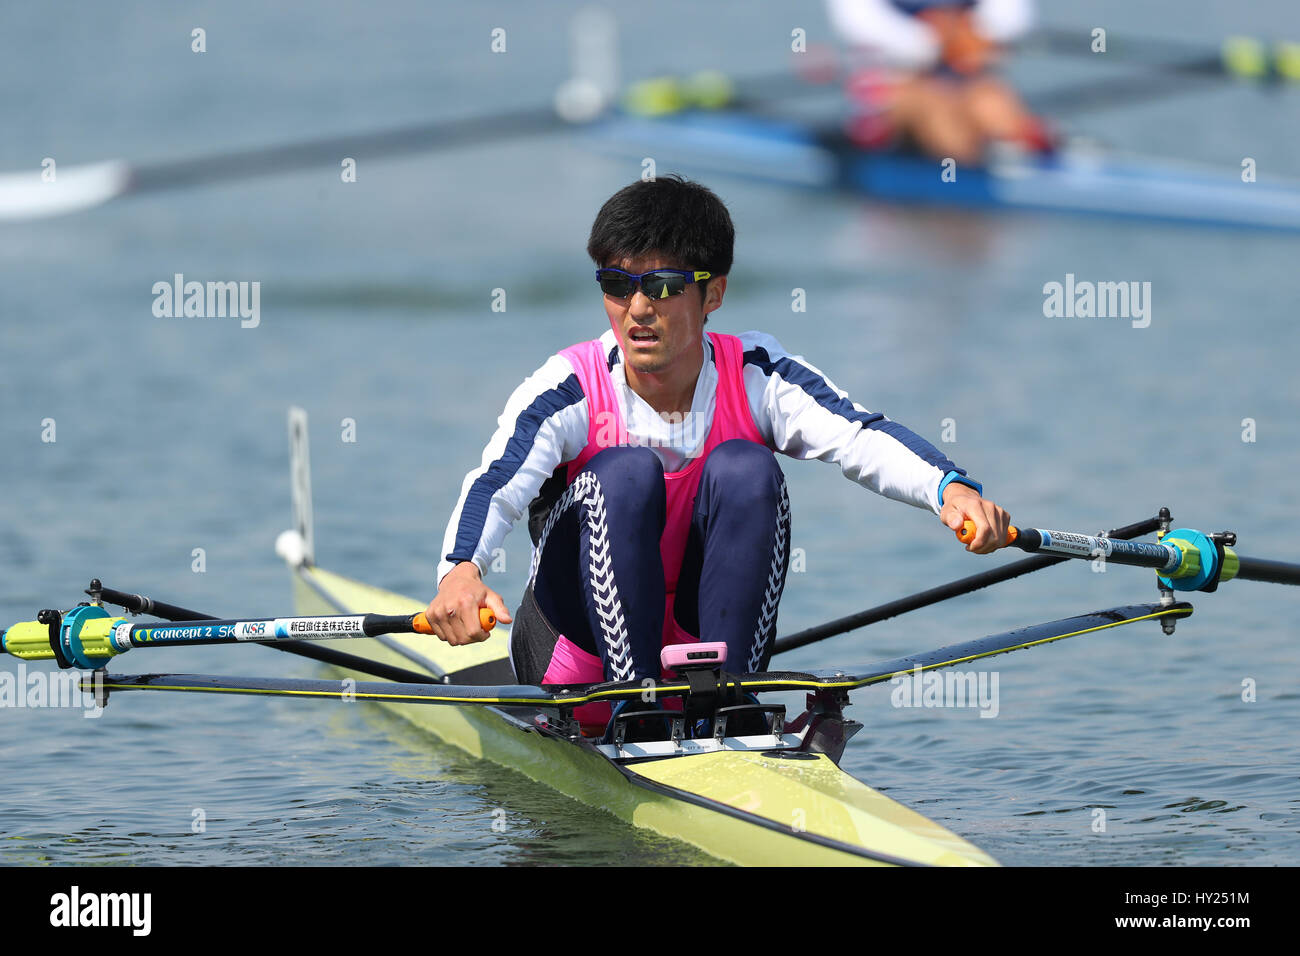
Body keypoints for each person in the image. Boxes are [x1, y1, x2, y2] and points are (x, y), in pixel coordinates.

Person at [424, 175, 1009, 735]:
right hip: (574, 665)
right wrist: (461, 571)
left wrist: (951, 490)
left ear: (714, 294)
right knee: (625, 474)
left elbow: (859, 435)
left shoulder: (757, 373)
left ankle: (730, 699)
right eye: (616, 284)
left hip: (702, 658)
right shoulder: (569, 388)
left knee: (746, 468)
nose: (637, 309)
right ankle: (638, 704)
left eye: (662, 286)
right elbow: (497, 484)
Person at [826, 0, 1054, 162]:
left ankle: (1022, 144)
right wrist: (934, 39)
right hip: (895, 85)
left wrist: (982, 31)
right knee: (944, 122)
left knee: (994, 107)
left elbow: (1012, 15)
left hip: (969, 82)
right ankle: (962, 166)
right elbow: (860, 23)